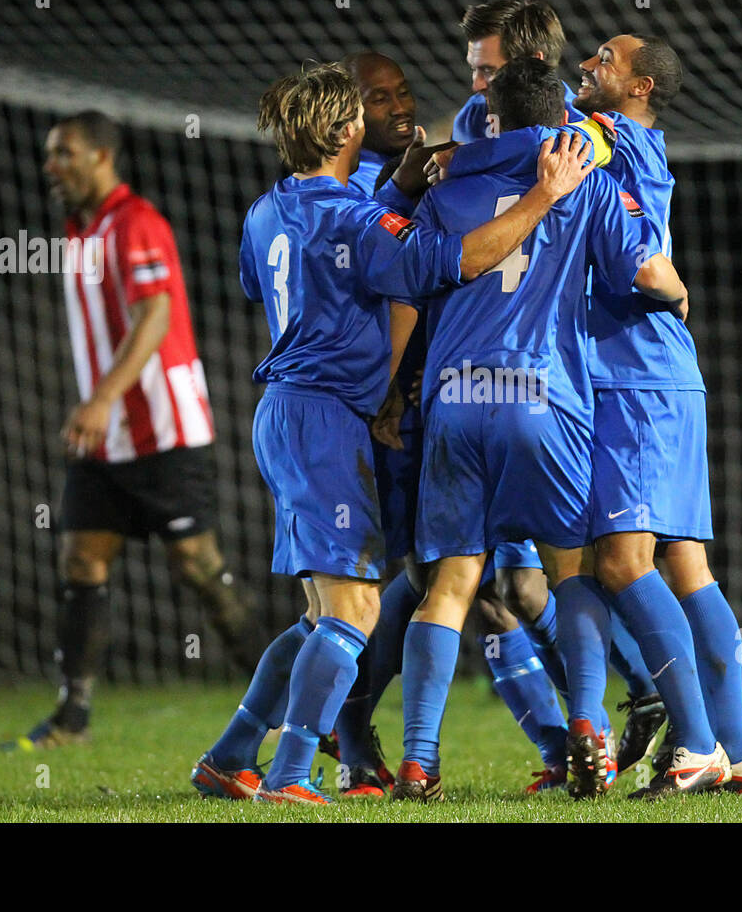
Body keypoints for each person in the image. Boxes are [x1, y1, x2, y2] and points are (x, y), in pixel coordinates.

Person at [188, 62, 594, 805]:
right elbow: (459, 259)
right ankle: (289, 775)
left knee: (322, 614)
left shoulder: (266, 211)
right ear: (348, 130)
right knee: (355, 611)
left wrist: (398, 189)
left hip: (283, 410)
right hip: (328, 417)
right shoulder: (358, 219)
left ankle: (231, 754)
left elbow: (263, 280)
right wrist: (545, 194)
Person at [392, 58, 702, 802]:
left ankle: (418, 761)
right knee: (572, 572)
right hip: (544, 397)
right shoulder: (586, 181)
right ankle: (589, 723)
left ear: (489, 116)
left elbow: (409, 278)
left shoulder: (447, 185)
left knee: (454, 582)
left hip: (457, 398)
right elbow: (643, 272)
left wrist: (390, 394)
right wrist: (679, 294)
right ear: (557, 114)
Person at [5, 110, 263, 751]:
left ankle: (282, 699)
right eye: (50, 153)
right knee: (82, 559)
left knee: (198, 567)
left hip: (166, 429)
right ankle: (72, 719)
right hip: (106, 434)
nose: (52, 165)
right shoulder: (77, 230)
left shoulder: (136, 222)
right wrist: (100, 409)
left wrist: (99, 399)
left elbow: (155, 316)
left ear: (101, 156)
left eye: (63, 152)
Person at [572, 33, 742, 795]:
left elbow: (643, 258)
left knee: (621, 562)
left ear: (641, 86)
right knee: (686, 564)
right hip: (657, 382)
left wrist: (667, 280)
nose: (588, 64)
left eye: (605, 59)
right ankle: (739, 751)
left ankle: (695, 744)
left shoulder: (619, 143)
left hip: (635, 382)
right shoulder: (623, 138)